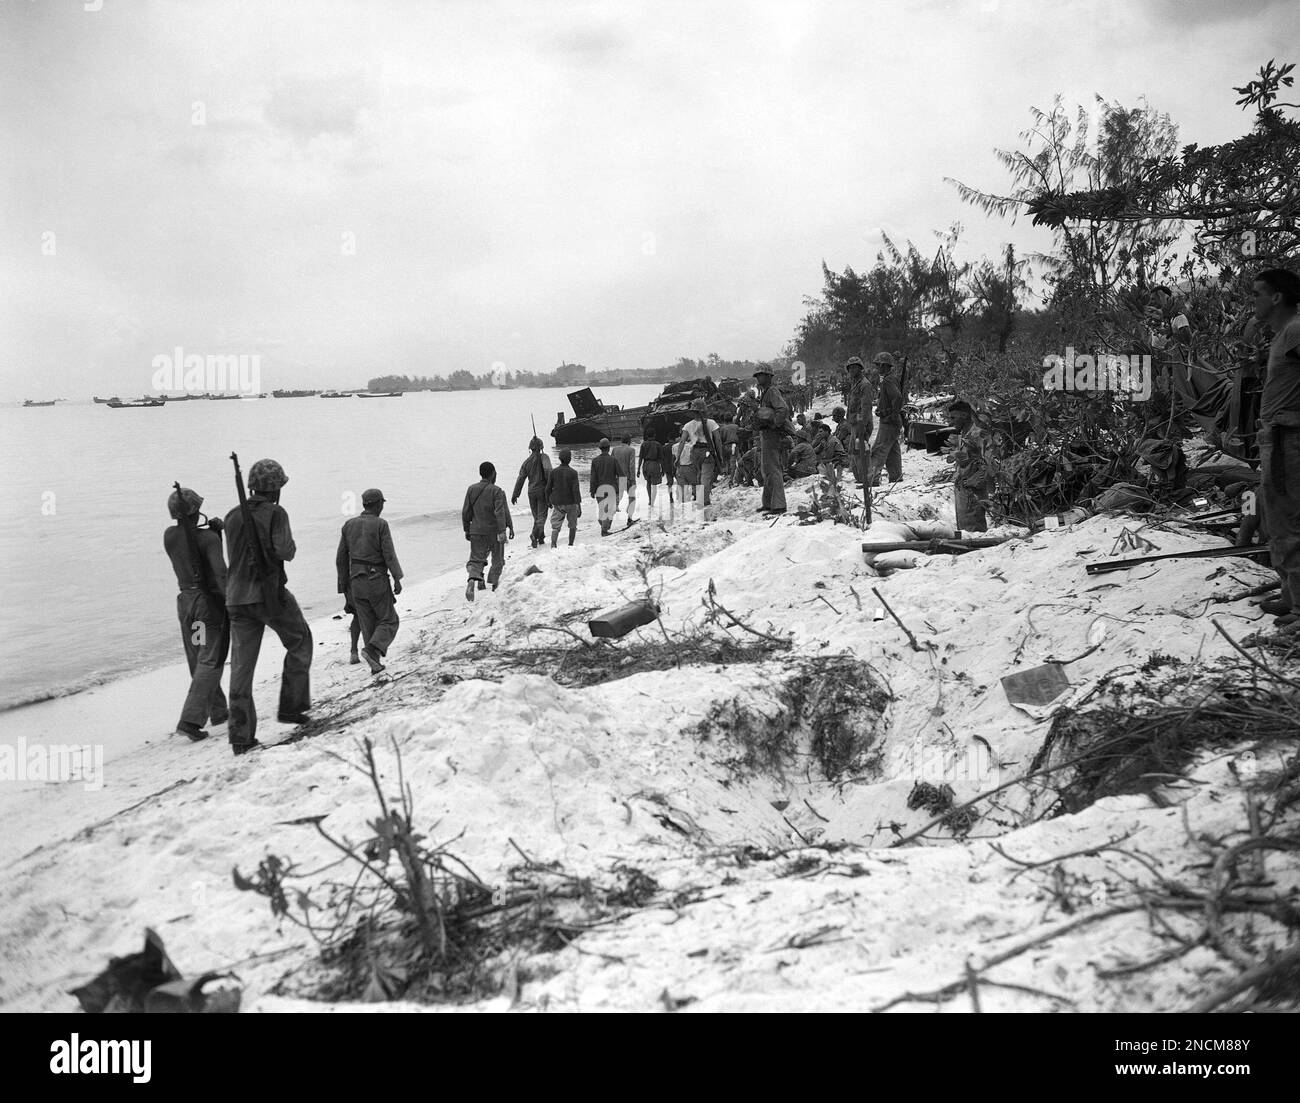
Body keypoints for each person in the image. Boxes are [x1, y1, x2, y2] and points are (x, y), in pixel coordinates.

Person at [223, 458, 312, 756]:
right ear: (275, 489)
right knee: (300, 642)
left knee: (241, 668)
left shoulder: (232, 515)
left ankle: (240, 736)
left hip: (236, 598)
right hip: (269, 594)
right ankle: (291, 707)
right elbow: (286, 551)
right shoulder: (276, 513)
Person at [1250, 268, 1300, 627]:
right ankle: (1291, 595)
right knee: (1278, 521)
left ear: (1277, 297)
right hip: (1277, 439)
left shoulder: (1296, 330)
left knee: (1290, 523)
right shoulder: (1284, 334)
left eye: (1257, 294)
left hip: (1289, 440)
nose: (1253, 301)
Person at [164, 486, 229, 742]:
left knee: (198, 657)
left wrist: (212, 534)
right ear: (196, 510)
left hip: (186, 602)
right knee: (210, 658)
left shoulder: (169, 536)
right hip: (206, 604)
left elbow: (190, 551)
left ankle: (218, 710)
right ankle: (190, 720)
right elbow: (220, 573)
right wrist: (231, 602)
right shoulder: (208, 539)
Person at [336, 488, 404, 674]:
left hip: (356, 582)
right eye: (382, 503)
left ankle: (374, 662)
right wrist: (397, 577)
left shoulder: (349, 525)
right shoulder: (381, 524)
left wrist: (344, 586)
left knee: (367, 624)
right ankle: (372, 651)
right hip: (376, 578)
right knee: (389, 620)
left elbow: (341, 559)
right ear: (378, 504)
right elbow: (389, 554)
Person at [462, 462, 513, 600]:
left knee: (476, 559)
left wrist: (467, 529)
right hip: (494, 531)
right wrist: (504, 530)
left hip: (476, 530)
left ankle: (472, 581)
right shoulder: (496, 491)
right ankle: (495, 585)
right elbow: (500, 512)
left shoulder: (471, 489)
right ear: (493, 474)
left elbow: (466, 512)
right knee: (497, 559)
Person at [945, 400, 991, 533]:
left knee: (973, 532)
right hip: (965, 490)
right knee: (965, 531)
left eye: (953, 418)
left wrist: (973, 482)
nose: (950, 422)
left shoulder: (978, 435)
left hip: (973, 491)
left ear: (964, 416)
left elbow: (988, 463)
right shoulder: (965, 434)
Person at [753, 367, 791, 514]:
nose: (758, 378)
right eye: (757, 376)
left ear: (769, 376)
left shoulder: (772, 391)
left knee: (773, 468)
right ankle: (769, 503)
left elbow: (783, 409)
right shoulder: (765, 392)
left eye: (761, 375)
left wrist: (775, 424)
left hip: (772, 434)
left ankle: (779, 504)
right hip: (767, 434)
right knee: (767, 469)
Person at [869, 352, 904, 485]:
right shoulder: (890, 379)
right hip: (890, 419)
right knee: (892, 450)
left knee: (878, 449)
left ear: (884, 365)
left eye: (878, 365)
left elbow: (898, 397)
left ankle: (872, 479)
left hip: (889, 420)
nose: (877, 368)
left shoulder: (888, 380)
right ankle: (896, 476)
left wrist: (892, 415)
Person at [510, 437, 553, 549]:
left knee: (537, 517)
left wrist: (515, 494)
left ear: (530, 448)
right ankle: (534, 535)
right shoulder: (544, 457)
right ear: (541, 447)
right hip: (542, 490)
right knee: (542, 516)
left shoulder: (526, 462)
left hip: (531, 492)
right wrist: (551, 487)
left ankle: (541, 537)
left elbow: (520, 479)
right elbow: (548, 471)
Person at [546, 448, 582, 547]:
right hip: (571, 503)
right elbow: (576, 491)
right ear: (570, 459)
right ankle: (570, 544)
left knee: (556, 526)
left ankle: (553, 544)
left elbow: (548, 489)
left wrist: (548, 501)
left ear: (559, 458)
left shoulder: (553, 472)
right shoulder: (573, 472)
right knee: (572, 525)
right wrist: (579, 506)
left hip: (558, 503)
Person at [590, 438, 621, 536]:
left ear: (600, 448)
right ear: (609, 448)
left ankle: (603, 524)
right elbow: (621, 475)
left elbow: (593, 478)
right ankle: (604, 530)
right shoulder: (613, 460)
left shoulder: (595, 461)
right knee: (610, 511)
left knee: (603, 510)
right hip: (611, 489)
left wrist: (592, 491)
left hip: (599, 490)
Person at [611, 434, 638, 528]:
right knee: (632, 498)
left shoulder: (614, 450)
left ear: (621, 441)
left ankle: (607, 523)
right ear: (629, 441)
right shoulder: (631, 450)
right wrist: (633, 480)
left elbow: (612, 465)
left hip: (617, 478)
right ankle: (629, 519)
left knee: (617, 498)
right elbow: (631, 466)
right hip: (627, 478)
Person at [638, 433, 665, 519]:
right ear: (654, 435)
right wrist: (663, 468)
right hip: (655, 464)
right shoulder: (657, 444)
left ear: (647, 436)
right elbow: (661, 458)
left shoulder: (643, 444)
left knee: (648, 483)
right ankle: (652, 502)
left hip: (646, 464)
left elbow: (640, 457)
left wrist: (638, 469)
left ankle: (650, 500)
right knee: (654, 485)